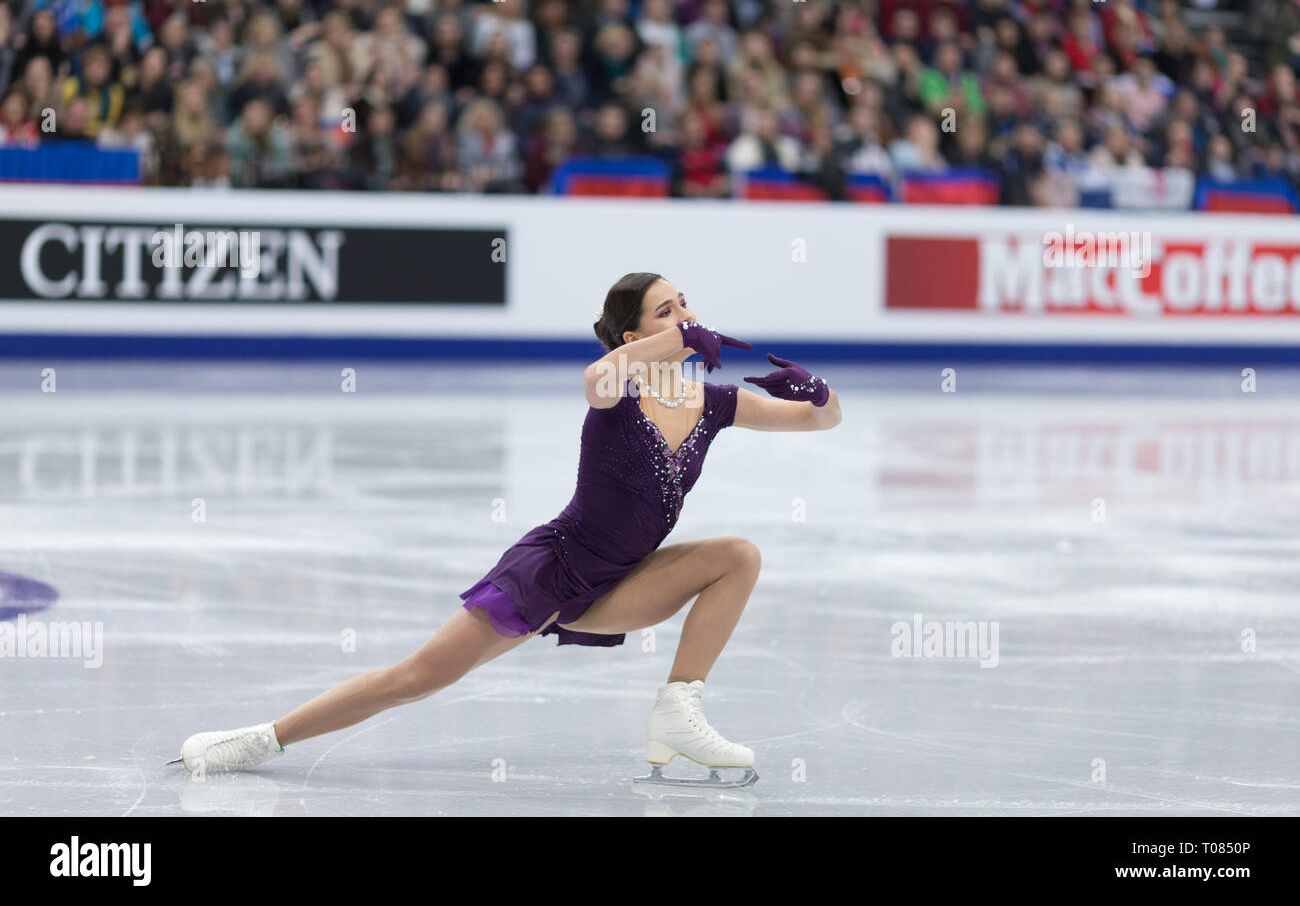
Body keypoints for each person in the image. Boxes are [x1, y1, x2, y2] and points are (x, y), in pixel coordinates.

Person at [174, 274, 842, 787]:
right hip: (552, 570)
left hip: (621, 584)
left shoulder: (714, 403)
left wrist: (816, 391)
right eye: (666, 310)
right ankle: (261, 739)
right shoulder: (618, 394)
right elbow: (597, 377)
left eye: (686, 304)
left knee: (738, 556)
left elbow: (822, 422)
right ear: (633, 338)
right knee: (414, 679)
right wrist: (675, 343)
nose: (686, 315)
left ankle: (678, 709)